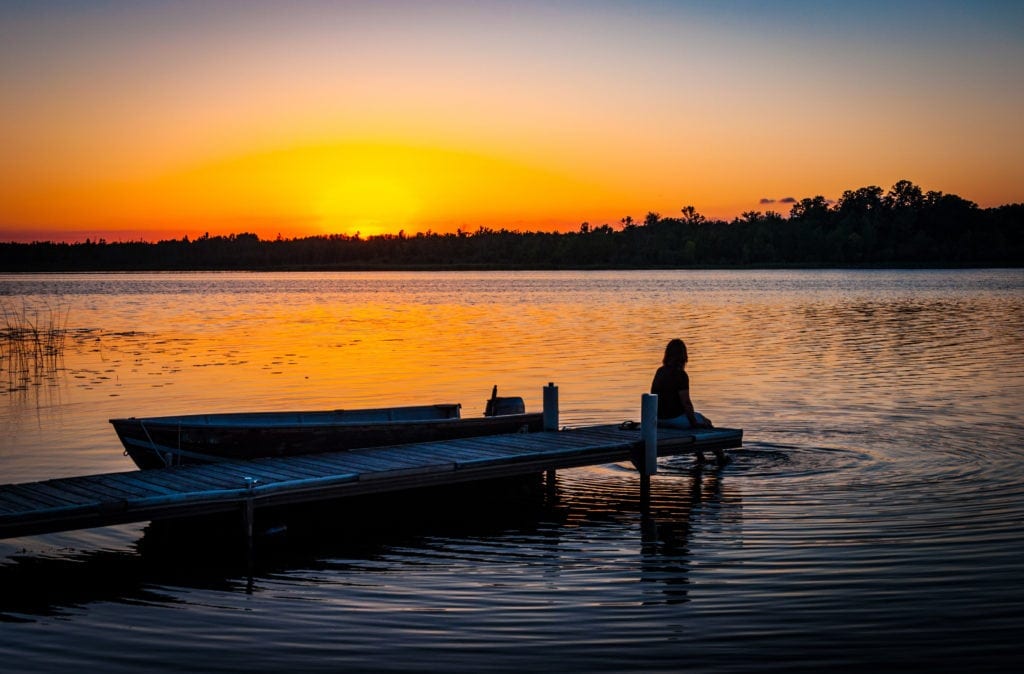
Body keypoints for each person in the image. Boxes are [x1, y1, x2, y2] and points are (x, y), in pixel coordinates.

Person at [650, 338, 726, 465]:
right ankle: (721, 457)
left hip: (659, 419)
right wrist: (695, 423)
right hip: (674, 420)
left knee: (694, 422)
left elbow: (654, 396)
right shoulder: (681, 375)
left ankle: (700, 456)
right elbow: (686, 403)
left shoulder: (660, 371)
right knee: (706, 423)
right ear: (683, 356)